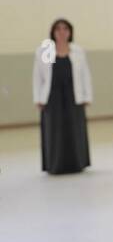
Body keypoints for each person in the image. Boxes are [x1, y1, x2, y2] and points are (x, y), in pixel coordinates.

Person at [32, 18, 92, 174]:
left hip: (74, 95)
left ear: (70, 32)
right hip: (52, 97)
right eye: (58, 29)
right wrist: (38, 98)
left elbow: (85, 74)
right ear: (53, 32)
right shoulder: (46, 50)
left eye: (65, 29)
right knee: (54, 131)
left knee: (75, 129)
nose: (62, 32)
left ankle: (77, 163)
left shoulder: (77, 51)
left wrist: (87, 95)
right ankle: (55, 165)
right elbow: (38, 76)